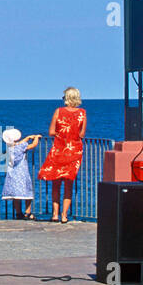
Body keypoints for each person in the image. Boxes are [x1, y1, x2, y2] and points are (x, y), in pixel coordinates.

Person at [38, 87, 87, 223]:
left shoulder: (59, 111)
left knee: (56, 183)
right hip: (74, 151)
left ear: (66, 98)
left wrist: (62, 133)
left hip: (59, 150)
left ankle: (55, 214)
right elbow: (82, 134)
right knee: (68, 185)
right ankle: (64, 215)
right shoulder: (82, 113)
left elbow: (51, 132)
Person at [0, 128, 41, 220]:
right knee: (28, 192)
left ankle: (18, 213)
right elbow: (33, 145)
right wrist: (36, 138)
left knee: (16, 195)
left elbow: (19, 143)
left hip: (12, 174)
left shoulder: (10, 148)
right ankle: (28, 212)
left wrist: (27, 138)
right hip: (22, 173)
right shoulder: (21, 147)